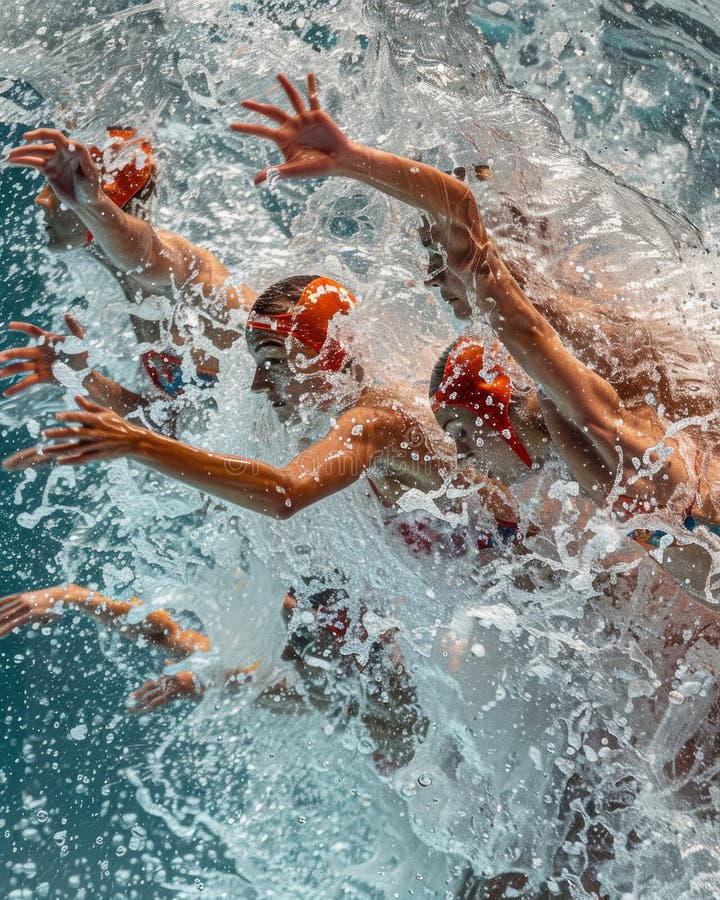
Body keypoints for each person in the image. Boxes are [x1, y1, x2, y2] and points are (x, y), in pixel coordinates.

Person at [229, 72, 720, 603]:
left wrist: (351, 159)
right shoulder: (563, 404)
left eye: (438, 255)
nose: (431, 278)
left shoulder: (578, 358)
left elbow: (460, 207)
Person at [2, 127, 256, 421]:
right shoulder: (133, 288)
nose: (42, 200)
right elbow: (167, 424)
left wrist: (92, 203)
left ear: (107, 199)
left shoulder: (178, 264)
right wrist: (85, 378)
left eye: (59, 187)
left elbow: (144, 255)